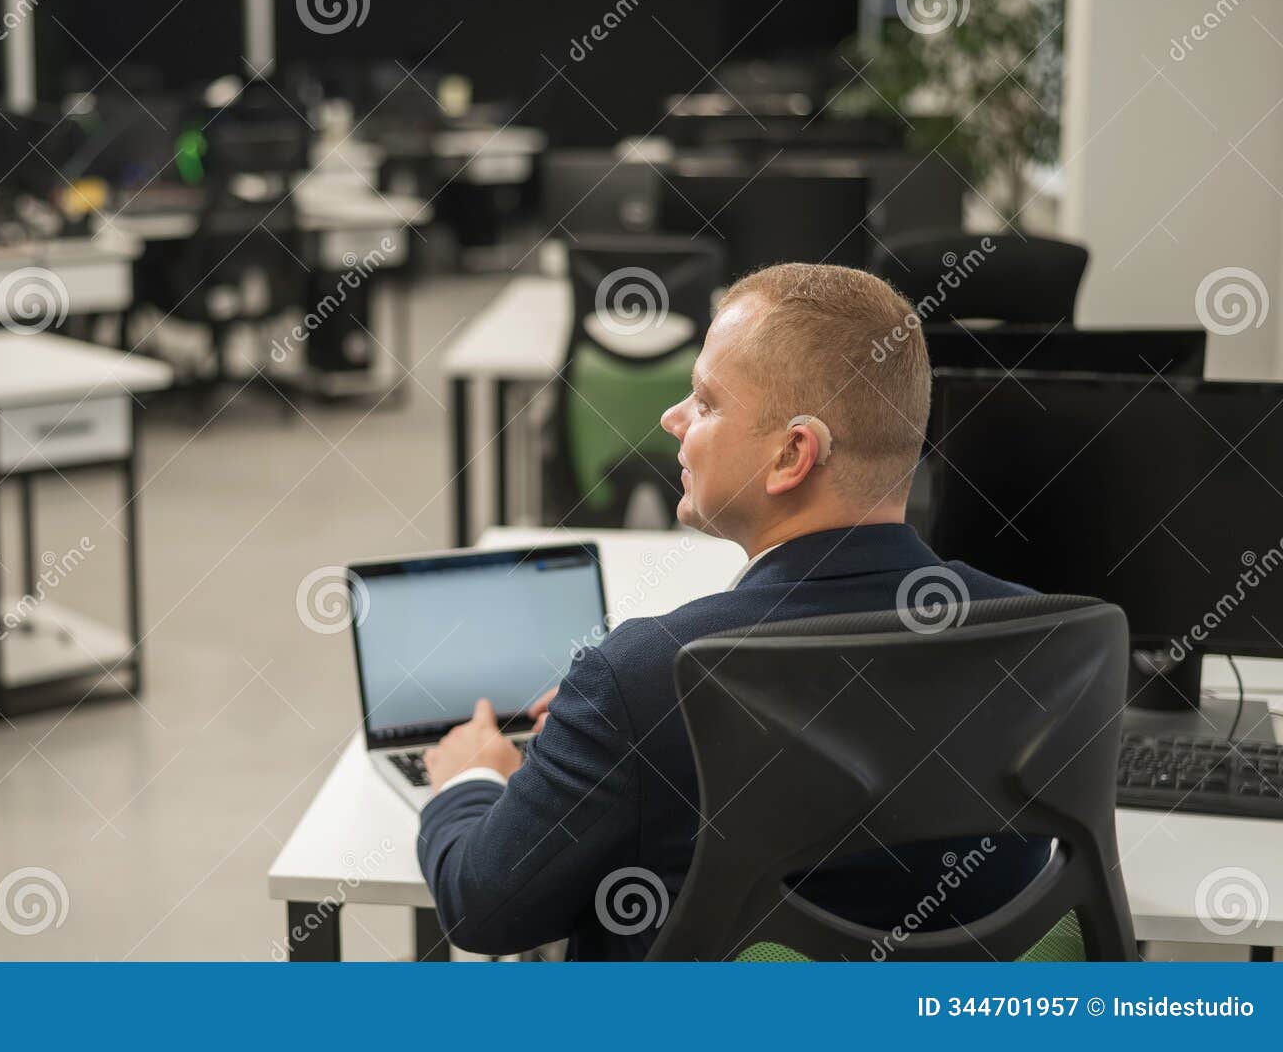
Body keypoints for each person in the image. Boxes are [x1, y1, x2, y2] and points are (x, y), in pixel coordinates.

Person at [416, 262, 1050, 960]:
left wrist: (471, 778)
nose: (671, 418)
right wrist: (605, 731)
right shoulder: (1038, 640)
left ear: (791, 455)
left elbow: (483, 907)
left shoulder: (651, 676)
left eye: (706, 402)